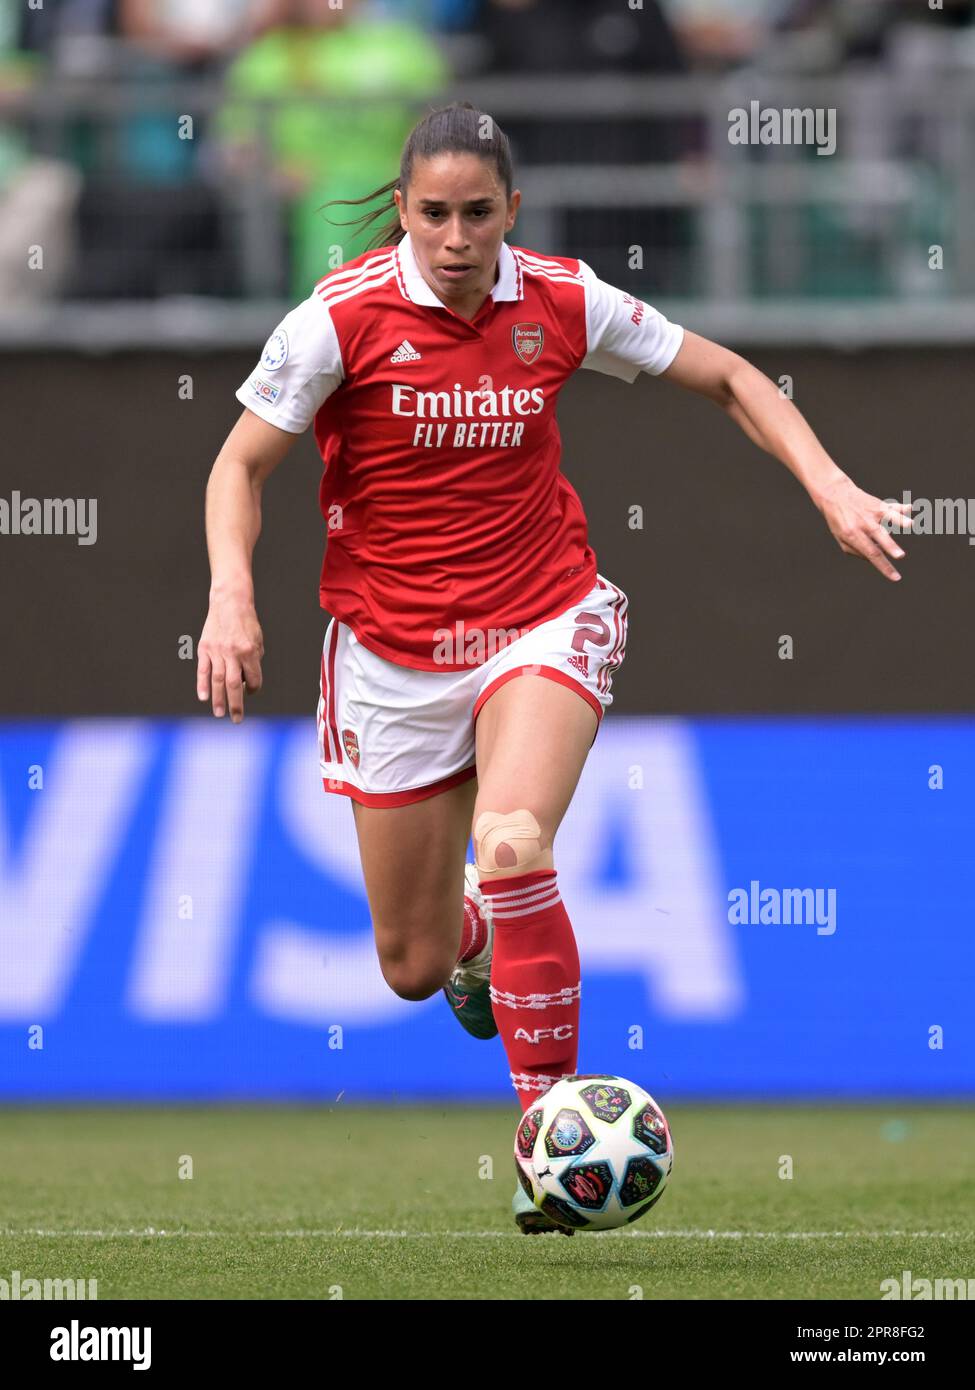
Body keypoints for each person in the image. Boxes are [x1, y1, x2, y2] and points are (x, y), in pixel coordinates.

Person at [197, 101, 911, 1235]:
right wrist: (231, 595)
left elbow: (727, 375)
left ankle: (547, 1141)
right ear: (402, 211)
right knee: (412, 965)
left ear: (511, 211)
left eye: (478, 212)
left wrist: (828, 484)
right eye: (432, 213)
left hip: (543, 614)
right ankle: (479, 947)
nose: (455, 235)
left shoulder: (564, 297)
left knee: (514, 839)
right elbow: (239, 467)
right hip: (390, 653)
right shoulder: (336, 321)